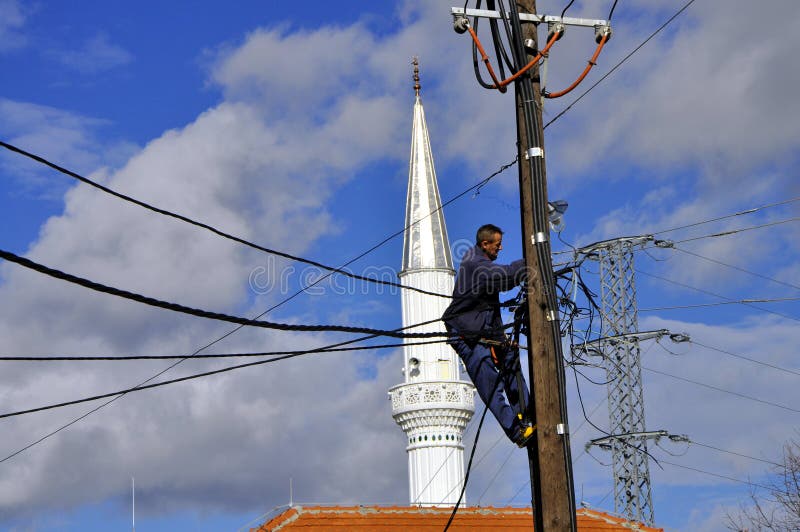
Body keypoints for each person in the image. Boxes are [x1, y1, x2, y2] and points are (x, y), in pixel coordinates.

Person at [442, 224, 533, 447]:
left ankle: (528, 416)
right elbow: (503, 277)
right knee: (490, 383)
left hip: (485, 330)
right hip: (465, 335)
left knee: (510, 359)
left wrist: (502, 341)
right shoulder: (475, 264)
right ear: (485, 244)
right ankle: (516, 431)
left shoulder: (480, 262)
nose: (500, 248)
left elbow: (489, 310)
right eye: (497, 244)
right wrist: (531, 261)